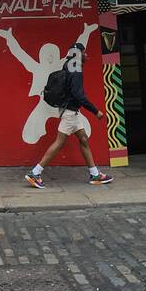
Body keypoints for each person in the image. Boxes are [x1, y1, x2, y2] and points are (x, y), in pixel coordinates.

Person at [23, 40, 113, 188]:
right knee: (59, 143)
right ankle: (35, 172)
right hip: (70, 113)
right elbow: (79, 95)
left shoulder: (68, 65)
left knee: (83, 139)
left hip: (71, 112)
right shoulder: (76, 68)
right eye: (84, 52)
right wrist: (95, 111)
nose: (86, 54)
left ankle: (95, 174)